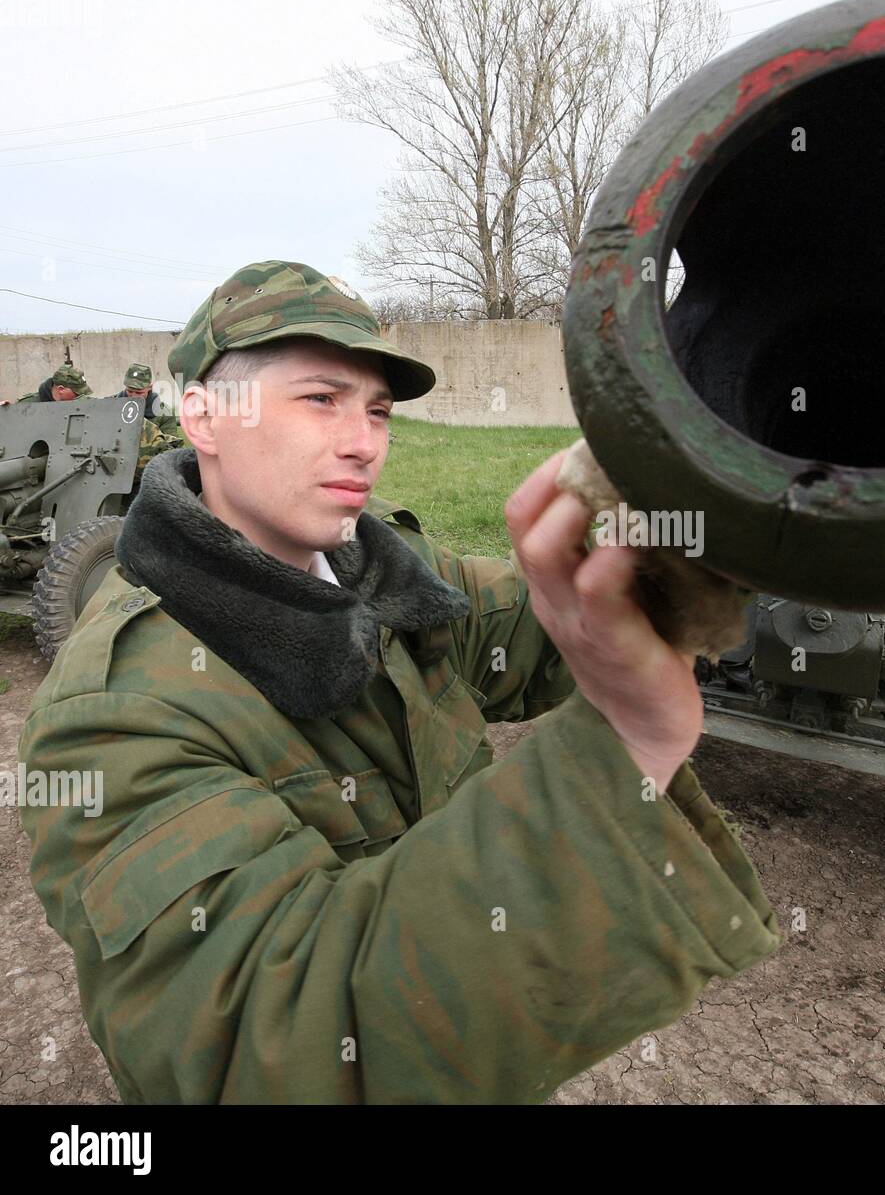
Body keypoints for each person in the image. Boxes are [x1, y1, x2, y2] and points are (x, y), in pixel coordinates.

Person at [18, 259, 780, 1104]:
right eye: (321, 399)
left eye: (377, 410)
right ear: (203, 416)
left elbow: (532, 627)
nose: (364, 441)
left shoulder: (380, 568)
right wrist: (626, 748)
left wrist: (708, 502)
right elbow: (276, 1047)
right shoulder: (113, 717)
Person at [4, 361, 93, 405]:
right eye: (77, 393)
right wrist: (6, 413)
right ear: (61, 389)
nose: (81, 396)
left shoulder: (84, 404)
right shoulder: (27, 405)